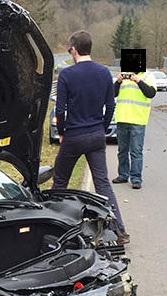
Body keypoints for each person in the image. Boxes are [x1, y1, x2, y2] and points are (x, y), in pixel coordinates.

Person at [52, 30, 129, 245]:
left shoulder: (67, 75)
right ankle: (120, 231)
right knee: (103, 184)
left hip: (73, 136)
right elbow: (111, 105)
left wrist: (61, 132)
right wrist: (101, 129)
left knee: (60, 182)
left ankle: (54, 228)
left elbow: (60, 110)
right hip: (96, 136)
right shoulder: (104, 73)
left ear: (74, 50)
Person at [112, 69, 157, 189]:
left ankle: (136, 179)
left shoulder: (148, 76)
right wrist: (118, 82)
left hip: (138, 120)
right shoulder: (124, 75)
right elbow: (113, 94)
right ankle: (123, 175)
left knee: (136, 151)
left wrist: (139, 81)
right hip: (122, 119)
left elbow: (151, 93)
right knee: (122, 150)